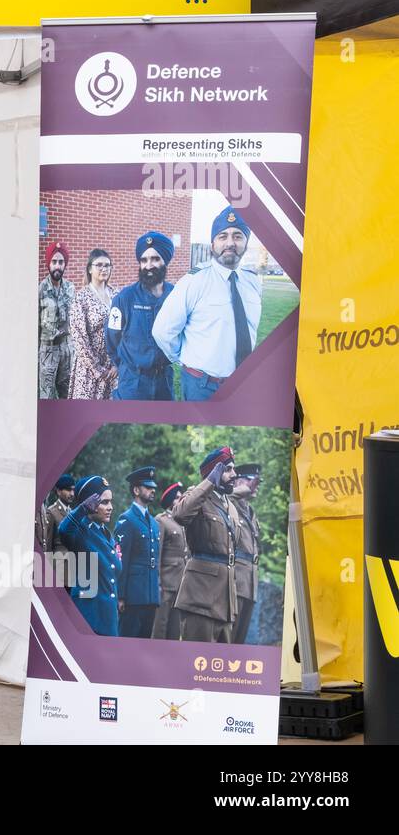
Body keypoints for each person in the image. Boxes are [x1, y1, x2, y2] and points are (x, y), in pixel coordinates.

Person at [153, 207, 262, 401]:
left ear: (246, 242)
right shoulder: (194, 281)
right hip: (202, 387)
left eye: (237, 236)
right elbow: (162, 330)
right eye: (223, 236)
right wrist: (184, 359)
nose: (230, 243)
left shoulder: (253, 281)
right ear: (213, 244)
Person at [171, 447, 241, 643]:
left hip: (225, 602)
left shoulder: (230, 507)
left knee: (221, 668)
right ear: (214, 473)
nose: (233, 475)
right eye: (227, 470)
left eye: (233, 469)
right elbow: (179, 515)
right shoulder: (198, 496)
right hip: (200, 598)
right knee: (195, 663)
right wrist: (209, 482)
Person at [106, 231, 176, 401]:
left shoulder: (175, 296)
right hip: (133, 383)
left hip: (164, 382)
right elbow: (112, 338)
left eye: (155, 259)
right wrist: (125, 365)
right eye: (144, 260)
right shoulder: (124, 298)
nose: (149, 265)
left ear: (165, 261)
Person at [57, 475, 121, 637]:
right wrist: (82, 509)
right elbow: (64, 530)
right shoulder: (81, 531)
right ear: (89, 503)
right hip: (89, 620)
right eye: (104, 502)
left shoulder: (105, 532)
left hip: (108, 619)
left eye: (110, 501)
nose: (110, 507)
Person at [114, 465, 161, 639]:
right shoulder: (127, 519)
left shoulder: (154, 523)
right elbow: (121, 560)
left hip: (150, 596)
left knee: (145, 646)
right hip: (132, 597)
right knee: (127, 645)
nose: (153, 490)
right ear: (136, 490)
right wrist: (121, 596)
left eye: (153, 487)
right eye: (148, 487)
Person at [69, 248, 118, 400]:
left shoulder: (117, 295)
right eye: (99, 265)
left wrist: (116, 364)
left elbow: (124, 332)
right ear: (90, 268)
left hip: (113, 368)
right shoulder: (81, 298)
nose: (104, 269)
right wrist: (99, 370)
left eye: (107, 265)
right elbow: (79, 339)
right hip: (90, 369)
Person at [152, 482, 190, 640]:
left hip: (180, 583)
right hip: (165, 583)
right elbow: (157, 553)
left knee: (175, 629)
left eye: (182, 498)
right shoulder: (162, 521)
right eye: (177, 498)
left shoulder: (182, 522)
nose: (180, 501)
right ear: (169, 502)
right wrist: (158, 581)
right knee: (160, 625)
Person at [231, 463, 263, 644]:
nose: (255, 485)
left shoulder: (251, 512)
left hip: (250, 584)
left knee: (239, 641)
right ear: (238, 482)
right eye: (251, 481)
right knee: (229, 637)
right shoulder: (231, 504)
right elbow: (223, 496)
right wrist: (243, 489)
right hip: (235, 583)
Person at [38, 242, 75, 399]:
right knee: (46, 395)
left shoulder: (71, 288)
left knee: (67, 394)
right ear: (48, 263)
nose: (58, 266)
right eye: (54, 262)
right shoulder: (40, 290)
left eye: (61, 262)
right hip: (47, 350)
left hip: (67, 349)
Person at [37, 473, 75, 553]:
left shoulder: (72, 513)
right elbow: (48, 545)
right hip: (58, 564)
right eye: (68, 490)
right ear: (58, 491)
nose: (72, 494)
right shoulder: (51, 512)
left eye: (73, 490)